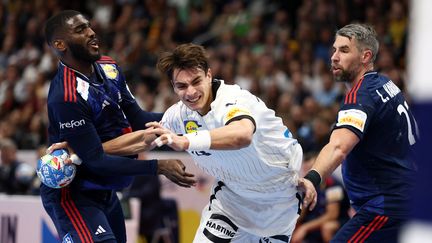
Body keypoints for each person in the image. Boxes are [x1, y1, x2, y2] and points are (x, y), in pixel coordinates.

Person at [42, 10, 196, 243]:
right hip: (74, 196)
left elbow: (138, 118)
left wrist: (191, 117)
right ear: (60, 44)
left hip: (106, 191)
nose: (91, 32)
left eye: (89, 26)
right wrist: (158, 167)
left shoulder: (109, 67)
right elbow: (96, 160)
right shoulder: (66, 95)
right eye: (80, 30)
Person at [145, 43, 317, 242]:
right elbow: (144, 137)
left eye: (196, 81)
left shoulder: (233, 99)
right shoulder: (179, 114)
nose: (190, 92)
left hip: (277, 200)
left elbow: (242, 134)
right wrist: (101, 150)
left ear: (209, 75)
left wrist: (185, 141)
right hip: (232, 199)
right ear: (173, 87)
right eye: (181, 86)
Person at [301, 23, 418, 242]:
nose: (335, 57)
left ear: (365, 56)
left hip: (385, 208)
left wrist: (311, 179)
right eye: (334, 49)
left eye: (344, 50)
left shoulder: (361, 96)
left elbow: (339, 146)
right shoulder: (386, 84)